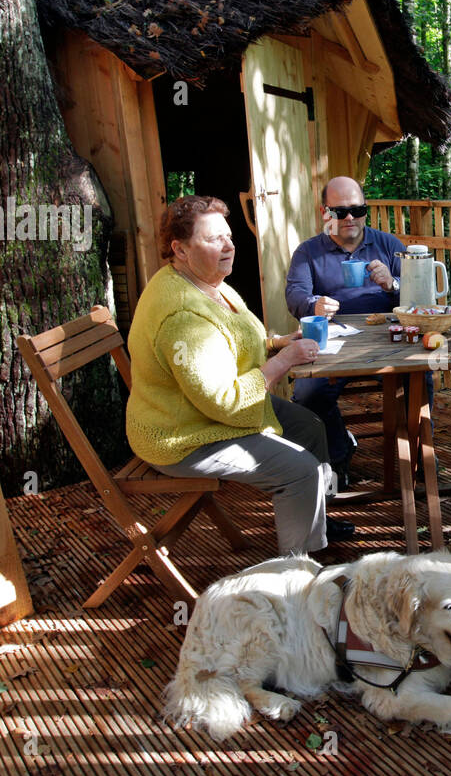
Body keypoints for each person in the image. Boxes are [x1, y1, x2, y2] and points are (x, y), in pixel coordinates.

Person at [126, 194, 353, 556]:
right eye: (214, 239)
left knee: (311, 427)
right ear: (180, 249)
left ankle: (315, 522)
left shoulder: (208, 283)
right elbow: (225, 401)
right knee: (301, 469)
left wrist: (276, 343)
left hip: (207, 414)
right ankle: (296, 570)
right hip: (183, 436)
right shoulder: (181, 315)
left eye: (228, 236)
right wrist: (283, 361)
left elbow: (231, 342)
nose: (229, 246)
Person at [285, 176, 418, 487]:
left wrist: (394, 284)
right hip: (332, 344)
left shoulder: (389, 245)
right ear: (325, 212)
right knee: (308, 393)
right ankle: (338, 452)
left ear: (365, 210)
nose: (349, 218)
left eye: (357, 210)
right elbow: (294, 296)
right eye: (339, 211)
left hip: (388, 340)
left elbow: (419, 298)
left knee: (419, 380)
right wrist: (314, 304)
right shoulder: (308, 252)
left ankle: (417, 453)